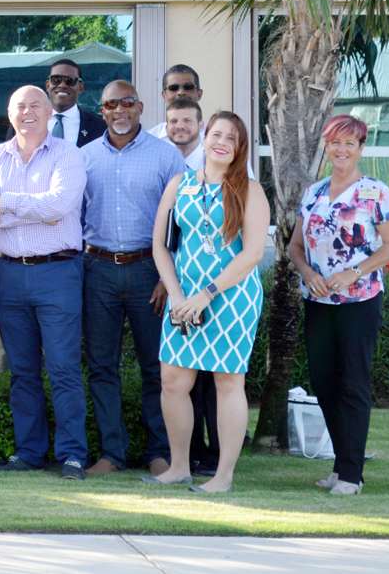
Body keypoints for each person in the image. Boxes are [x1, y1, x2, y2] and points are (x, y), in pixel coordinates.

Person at [146, 111, 268, 493]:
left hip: (231, 297)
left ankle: (223, 476)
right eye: (216, 134)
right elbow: (160, 245)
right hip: (184, 298)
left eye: (231, 138)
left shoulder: (250, 190)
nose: (222, 143)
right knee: (172, 380)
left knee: (227, 381)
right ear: (205, 136)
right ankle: (178, 467)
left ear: (239, 147)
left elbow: (252, 254)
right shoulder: (179, 184)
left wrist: (206, 295)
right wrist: (177, 295)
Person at [0, 86, 89, 479]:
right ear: (10, 115)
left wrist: (5, 201)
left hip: (58, 272)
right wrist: (36, 208)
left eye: (35, 105)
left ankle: (72, 456)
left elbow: (59, 205)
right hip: (9, 273)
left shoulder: (67, 154)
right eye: (20, 107)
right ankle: (29, 453)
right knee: (22, 371)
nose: (28, 112)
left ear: (48, 112)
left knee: (63, 368)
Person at [287, 115, 389, 496]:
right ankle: (340, 465)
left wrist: (353, 272)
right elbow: (295, 247)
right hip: (318, 301)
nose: (342, 150)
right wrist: (307, 273)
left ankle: (352, 474)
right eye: (335, 142)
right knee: (325, 385)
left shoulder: (375, 192)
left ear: (361, 148)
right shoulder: (313, 192)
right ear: (326, 146)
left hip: (359, 302)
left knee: (353, 384)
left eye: (350, 143)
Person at [80, 81, 184, 477]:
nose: (119, 110)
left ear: (140, 107)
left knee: (156, 367)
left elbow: (181, 220)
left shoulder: (166, 156)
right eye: (111, 104)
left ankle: (159, 452)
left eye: (127, 103)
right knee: (101, 366)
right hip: (98, 270)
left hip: (149, 272)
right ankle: (112, 453)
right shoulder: (85, 157)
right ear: (102, 111)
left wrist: (169, 275)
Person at [157, 95, 220, 475]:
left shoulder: (228, 168)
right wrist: (171, 286)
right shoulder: (172, 172)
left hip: (221, 291)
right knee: (181, 377)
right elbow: (165, 238)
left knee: (216, 381)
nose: (180, 127)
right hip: (179, 286)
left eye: (187, 121)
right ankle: (189, 454)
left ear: (201, 127)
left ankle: (217, 456)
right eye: (173, 121)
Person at [43, 58, 107, 147]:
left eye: (70, 80)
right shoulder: (30, 122)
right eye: (56, 79)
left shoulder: (100, 127)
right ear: (47, 85)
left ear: (80, 87)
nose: (62, 85)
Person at [147, 65, 204, 143]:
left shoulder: (215, 136)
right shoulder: (149, 140)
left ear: (199, 94)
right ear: (164, 96)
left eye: (188, 87)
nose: (181, 92)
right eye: (173, 88)